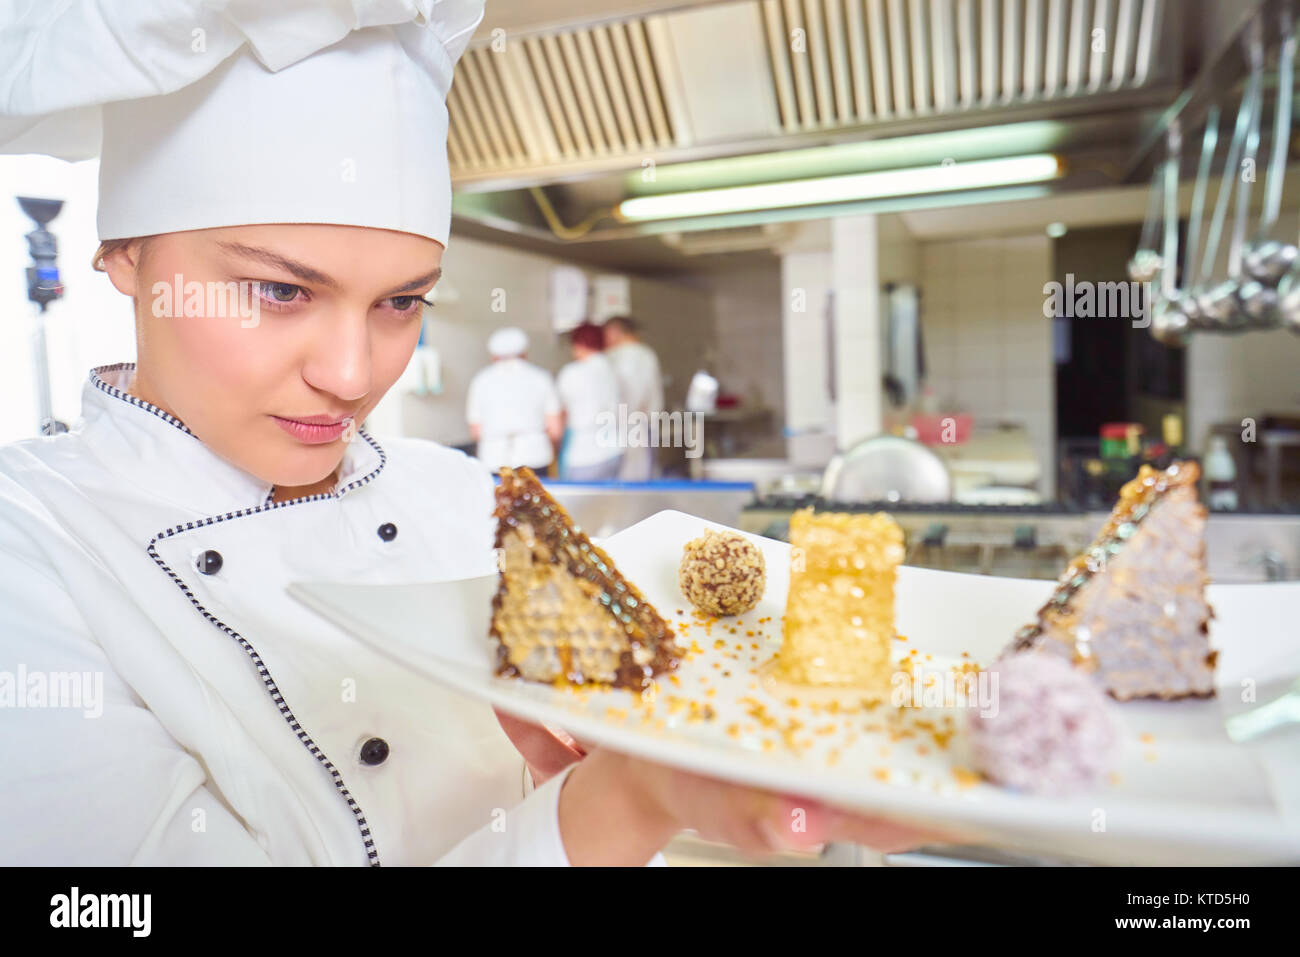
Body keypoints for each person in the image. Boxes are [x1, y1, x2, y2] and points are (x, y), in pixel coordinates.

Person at [0, 0, 947, 866]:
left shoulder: (460, 502)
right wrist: (621, 801)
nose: (353, 373)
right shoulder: (34, 541)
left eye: (401, 301)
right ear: (126, 256)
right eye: (281, 290)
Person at [465, 327, 562, 474]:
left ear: (493, 355)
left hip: (494, 458)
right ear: (524, 353)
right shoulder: (541, 378)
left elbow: (475, 431)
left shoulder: (481, 381)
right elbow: (555, 429)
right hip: (535, 456)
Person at [556, 321, 624, 482]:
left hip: (585, 452)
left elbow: (561, 413)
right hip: (615, 450)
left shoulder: (572, 372)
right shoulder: (614, 370)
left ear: (579, 344)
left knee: (581, 506)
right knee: (609, 504)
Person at [603, 315, 665, 481]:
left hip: (628, 428)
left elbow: (632, 398)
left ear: (613, 332)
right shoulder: (645, 354)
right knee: (644, 477)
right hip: (641, 426)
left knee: (631, 482)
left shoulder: (621, 356)